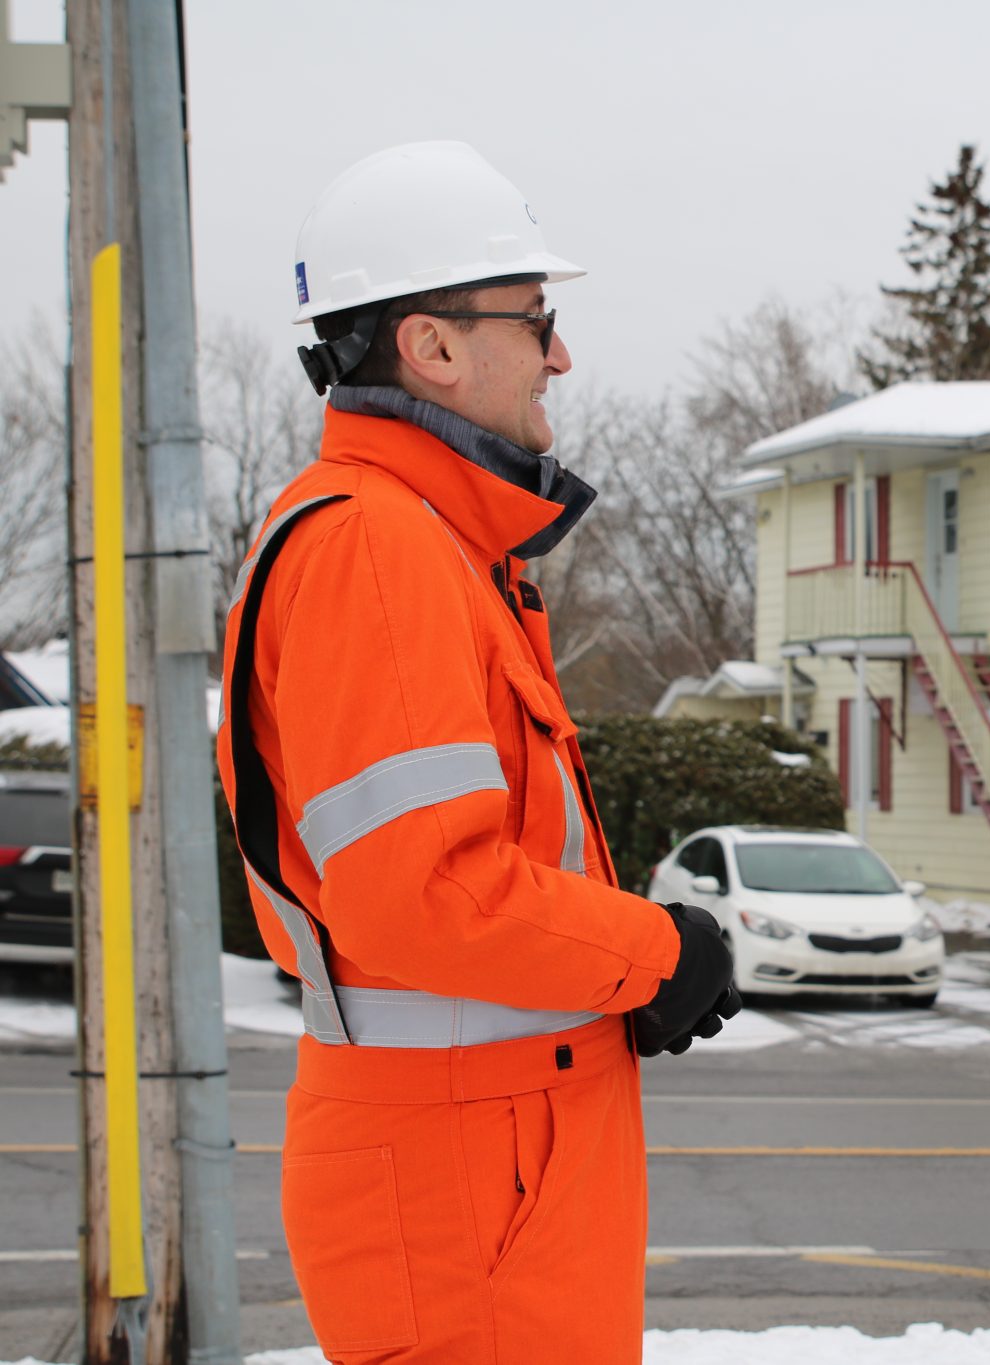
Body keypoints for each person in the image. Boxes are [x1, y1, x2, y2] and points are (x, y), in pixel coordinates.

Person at [217, 141, 740, 1364]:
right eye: (535, 319)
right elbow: (424, 893)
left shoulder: (429, 548)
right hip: (468, 1186)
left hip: (490, 1166)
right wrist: (656, 950)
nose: (558, 352)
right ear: (433, 347)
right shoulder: (379, 552)